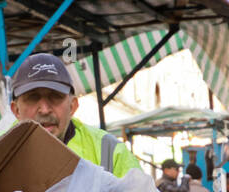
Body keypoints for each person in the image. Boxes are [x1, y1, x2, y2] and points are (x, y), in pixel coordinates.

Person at [8, 53, 141, 177]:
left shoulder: (110, 151)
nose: (44, 109)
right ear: (16, 110)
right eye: (33, 98)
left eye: (55, 96)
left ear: (73, 106)